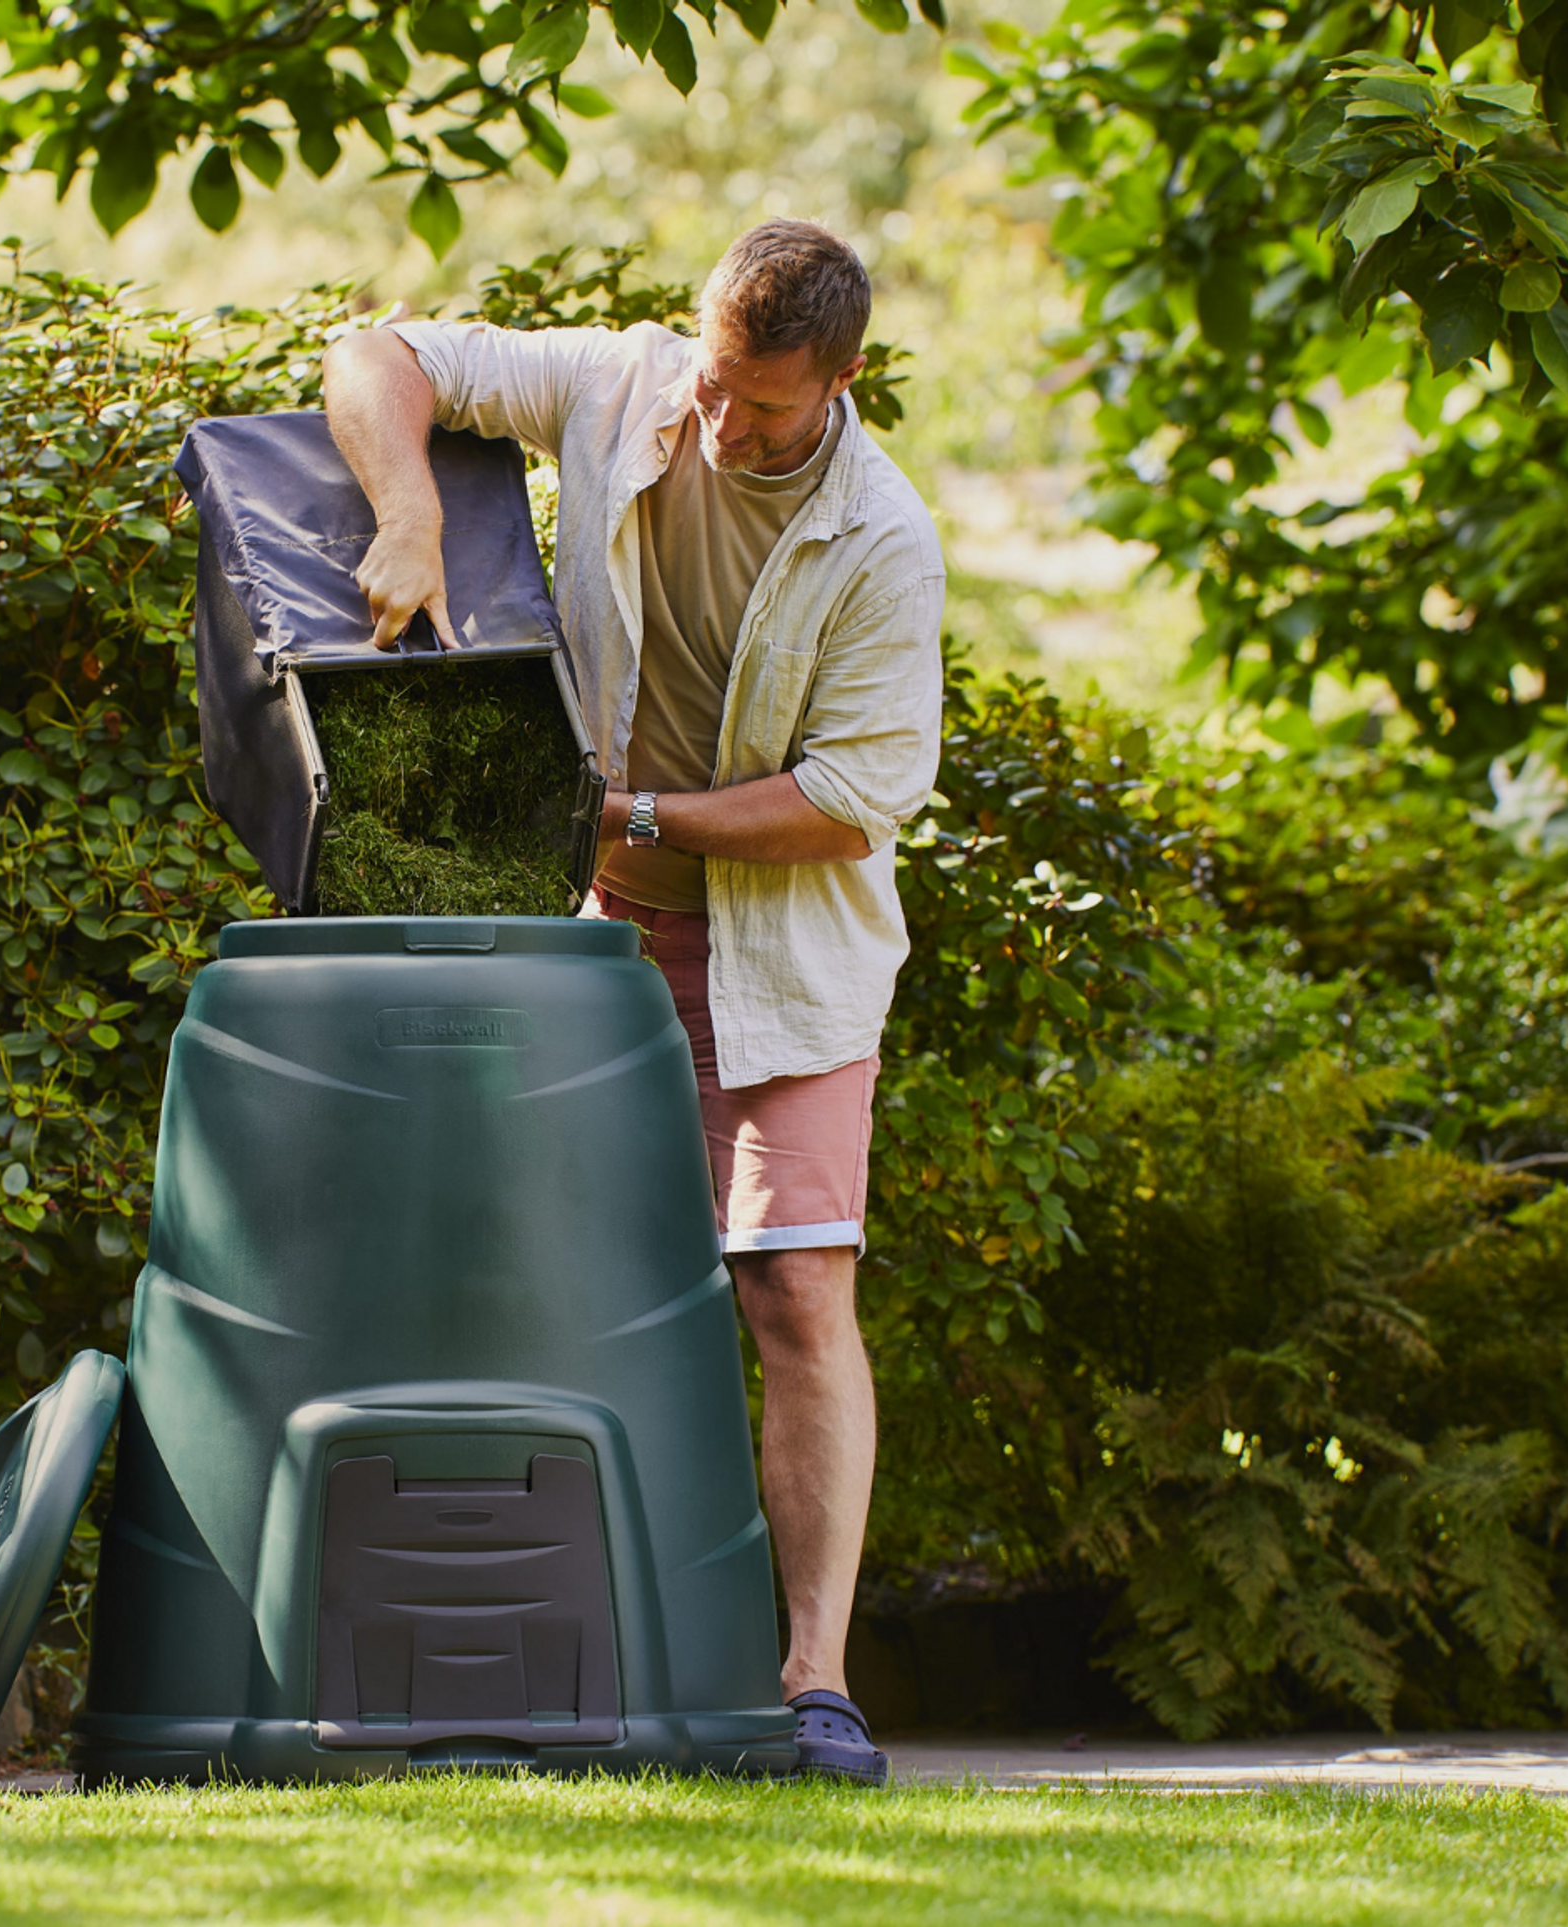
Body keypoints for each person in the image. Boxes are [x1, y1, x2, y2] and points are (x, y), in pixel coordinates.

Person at [322, 218, 943, 1786]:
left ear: (845, 381)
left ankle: (813, 1684)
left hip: (784, 957)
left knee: (795, 1296)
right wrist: (409, 515)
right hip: (595, 944)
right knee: (554, 1290)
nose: (726, 424)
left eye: (770, 405)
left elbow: (853, 796)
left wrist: (635, 818)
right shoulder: (624, 388)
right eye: (720, 382)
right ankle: (592, 1660)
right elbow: (380, 352)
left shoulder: (882, 534)